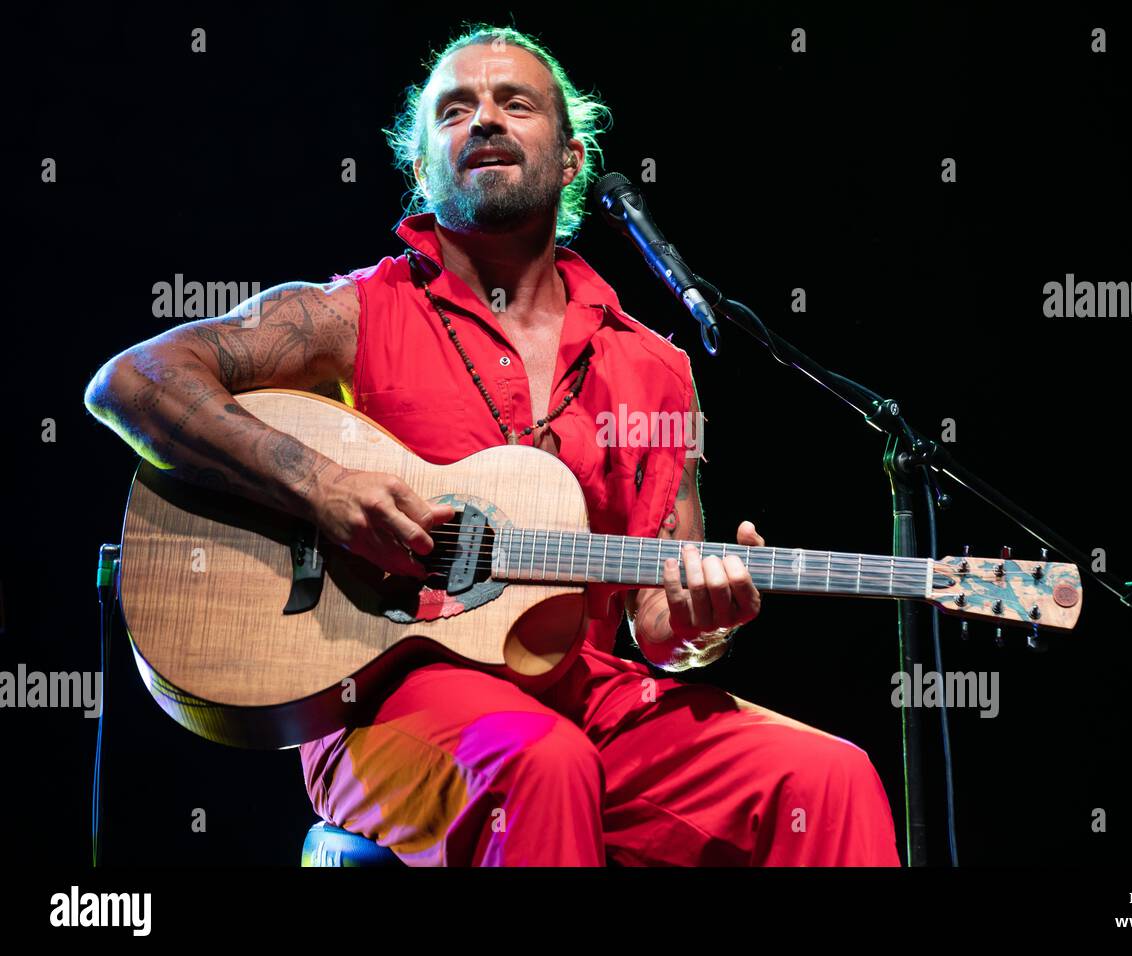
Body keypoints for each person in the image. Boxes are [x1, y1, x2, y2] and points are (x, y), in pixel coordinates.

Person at [84, 25, 899, 866]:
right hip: (384, 700)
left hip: (588, 699)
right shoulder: (353, 313)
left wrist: (703, 624)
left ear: (574, 160)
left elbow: (661, 622)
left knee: (826, 776)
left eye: (515, 104)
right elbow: (132, 383)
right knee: (543, 764)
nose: (484, 121)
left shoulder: (657, 370)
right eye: (455, 110)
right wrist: (320, 484)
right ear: (419, 168)